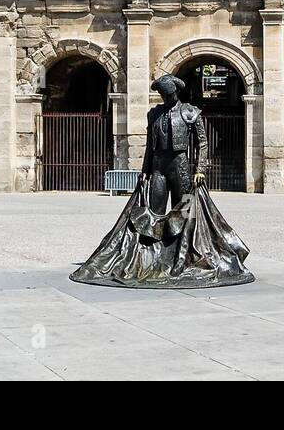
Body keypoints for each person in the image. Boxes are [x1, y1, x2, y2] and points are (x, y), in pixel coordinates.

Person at [69, 75, 254, 288]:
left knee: (183, 210)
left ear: (175, 93)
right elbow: (150, 145)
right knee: (153, 211)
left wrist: (200, 169)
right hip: (158, 166)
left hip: (180, 165)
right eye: (162, 95)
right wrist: (145, 170)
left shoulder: (190, 112)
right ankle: (150, 258)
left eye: (168, 95)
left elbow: (202, 143)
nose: (165, 98)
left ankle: (183, 255)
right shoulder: (154, 113)